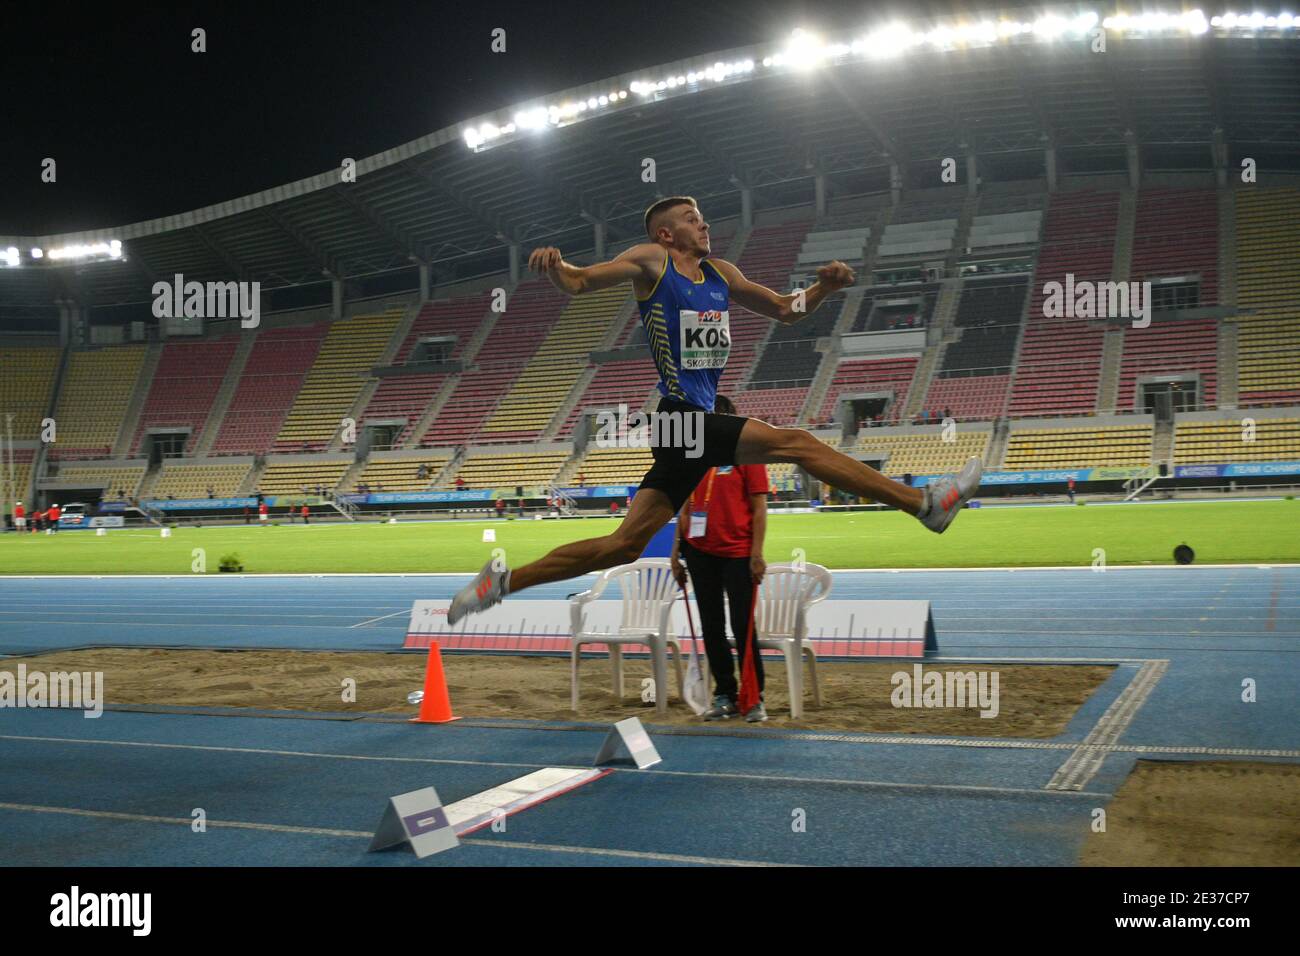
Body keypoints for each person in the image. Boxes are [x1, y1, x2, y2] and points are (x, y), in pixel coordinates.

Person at [447, 196, 981, 624]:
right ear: (665, 233)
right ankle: (922, 503)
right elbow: (582, 280)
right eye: (690, 219)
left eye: (701, 217)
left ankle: (503, 582)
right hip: (679, 417)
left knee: (624, 545)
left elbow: (781, 310)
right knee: (794, 442)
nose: (702, 225)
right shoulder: (650, 262)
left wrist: (821, 288)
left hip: (688, 425)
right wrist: (556, 266)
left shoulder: (722, 273)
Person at [669, 395, 770, 722]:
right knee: (711, 626)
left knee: (743, 626)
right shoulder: (691, 455)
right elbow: (683, 506)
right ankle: (724, 692)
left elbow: (759, 508)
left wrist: (757, 553)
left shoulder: (749, 454)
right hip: (699, 553)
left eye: (715, 415)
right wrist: (676, 552)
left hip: (738, 554)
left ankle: (753, 697)